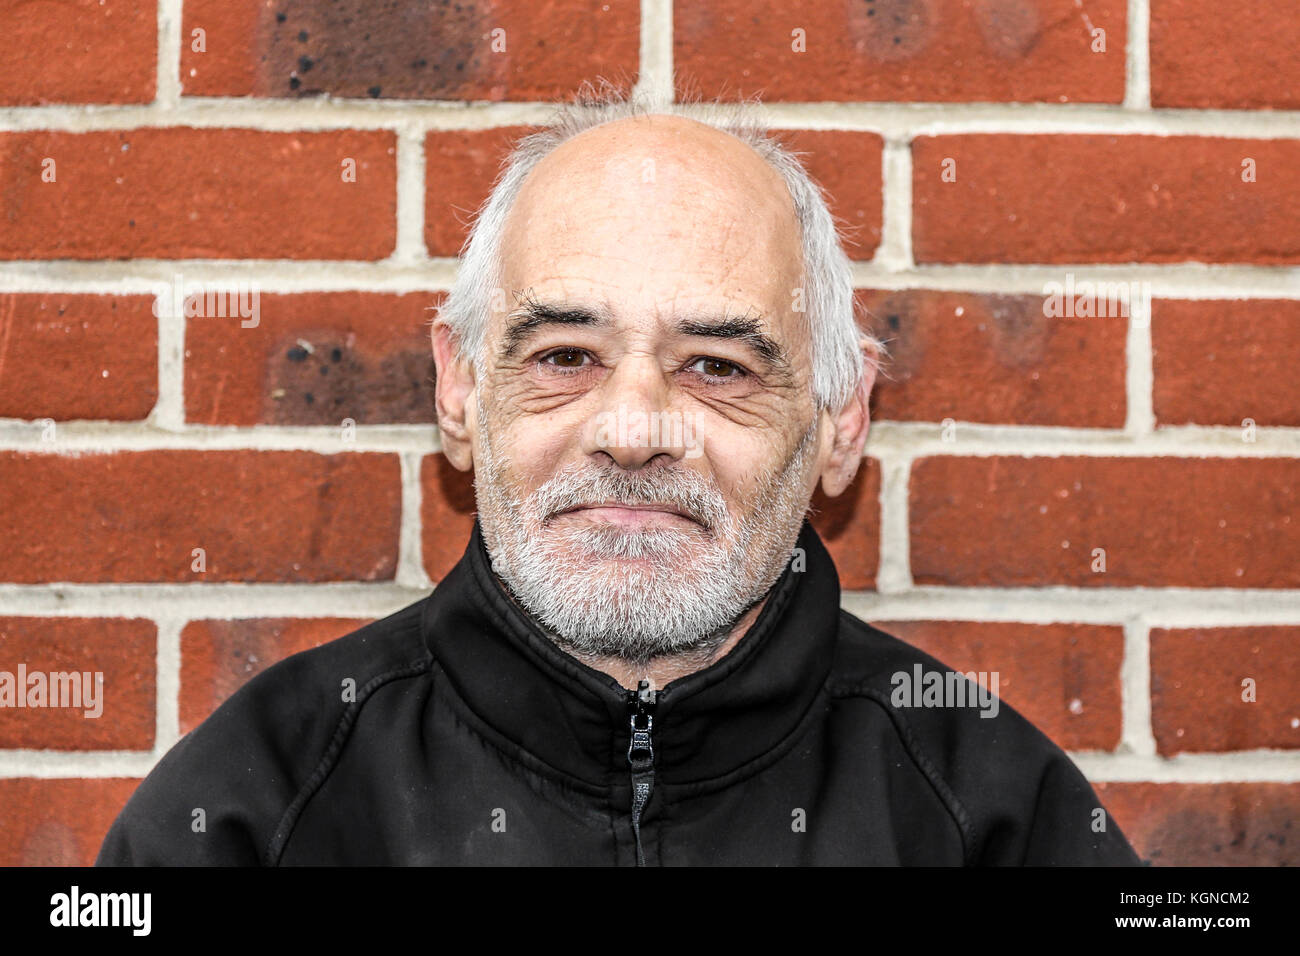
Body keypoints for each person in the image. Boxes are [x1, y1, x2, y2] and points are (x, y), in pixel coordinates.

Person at [97, 88, 1139, 866]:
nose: (634, 430)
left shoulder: (993, 812)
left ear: (840, 418)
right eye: (564, 356)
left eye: (718, 367)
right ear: (459, 390)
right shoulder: (253, 810)